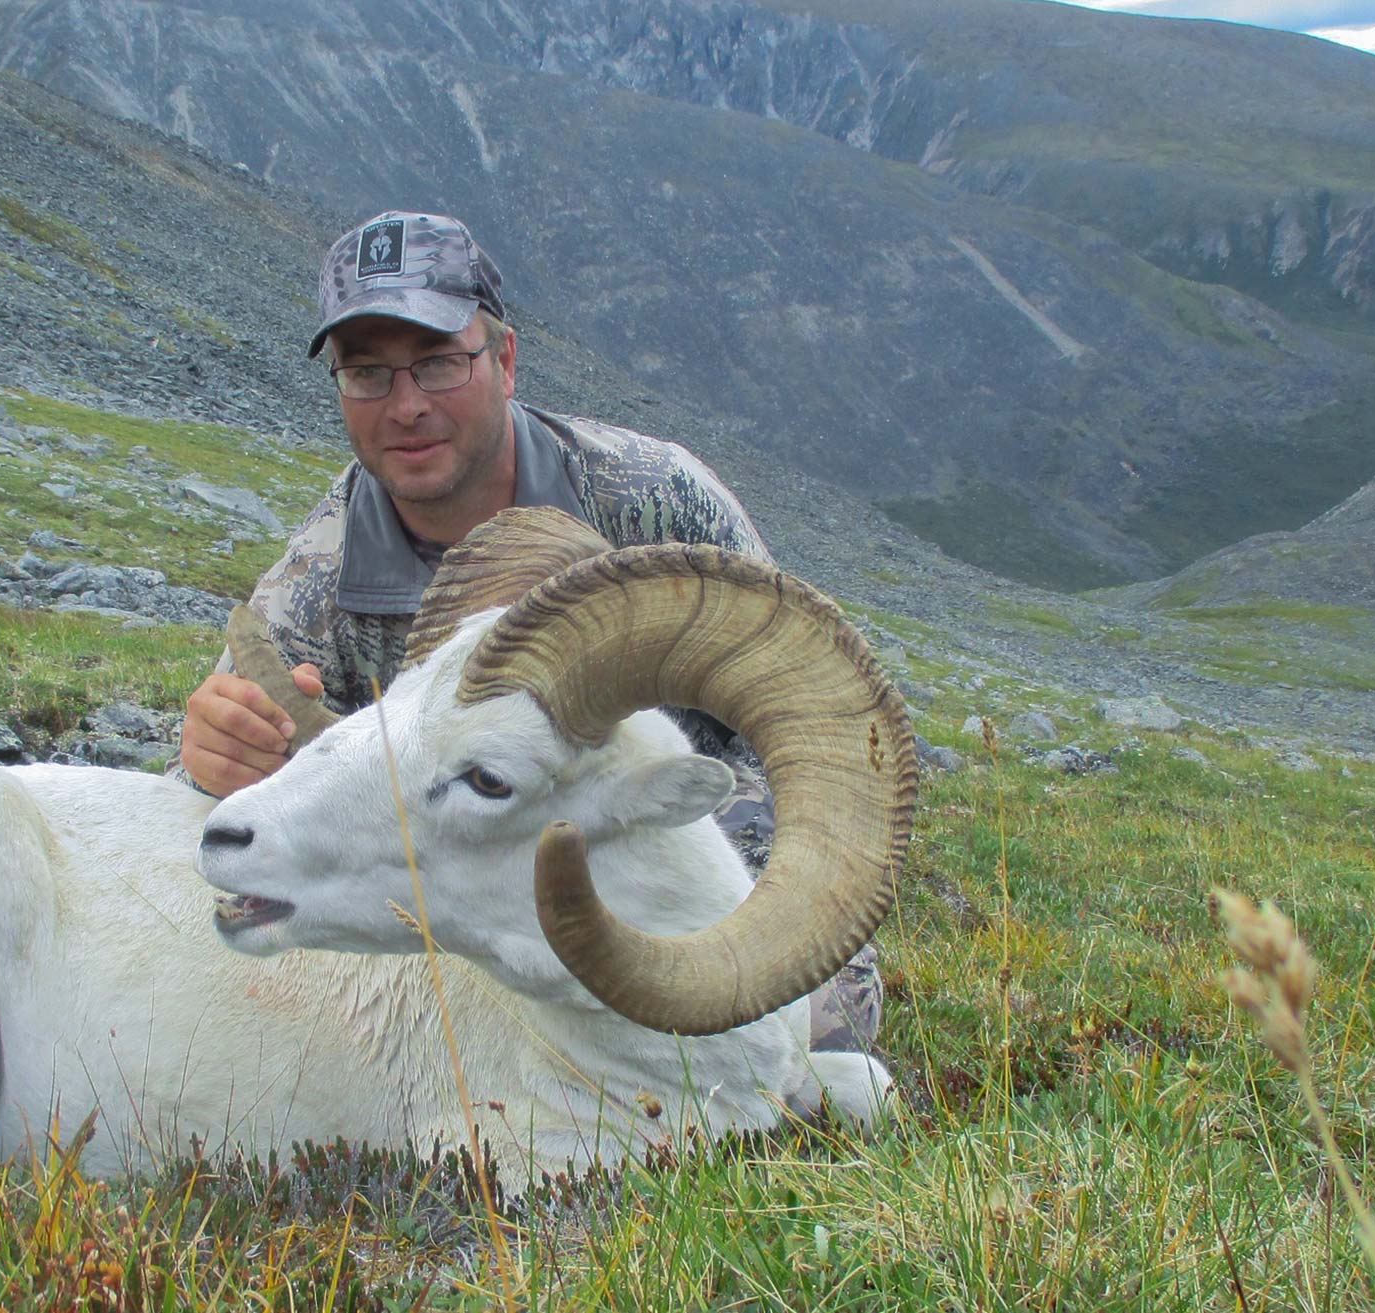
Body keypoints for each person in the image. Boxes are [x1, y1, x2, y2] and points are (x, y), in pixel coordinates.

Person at [176, 210, 880, 1053]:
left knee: (821, 1033)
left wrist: (780, 916)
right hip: (477, 864)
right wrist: (214, 746)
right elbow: (233, 770)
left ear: (504, 361)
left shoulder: (654, 501)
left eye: (438, 361)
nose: (405, 406)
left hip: (665, 815)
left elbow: (806, 716)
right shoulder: (323, 568)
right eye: (366, 373)